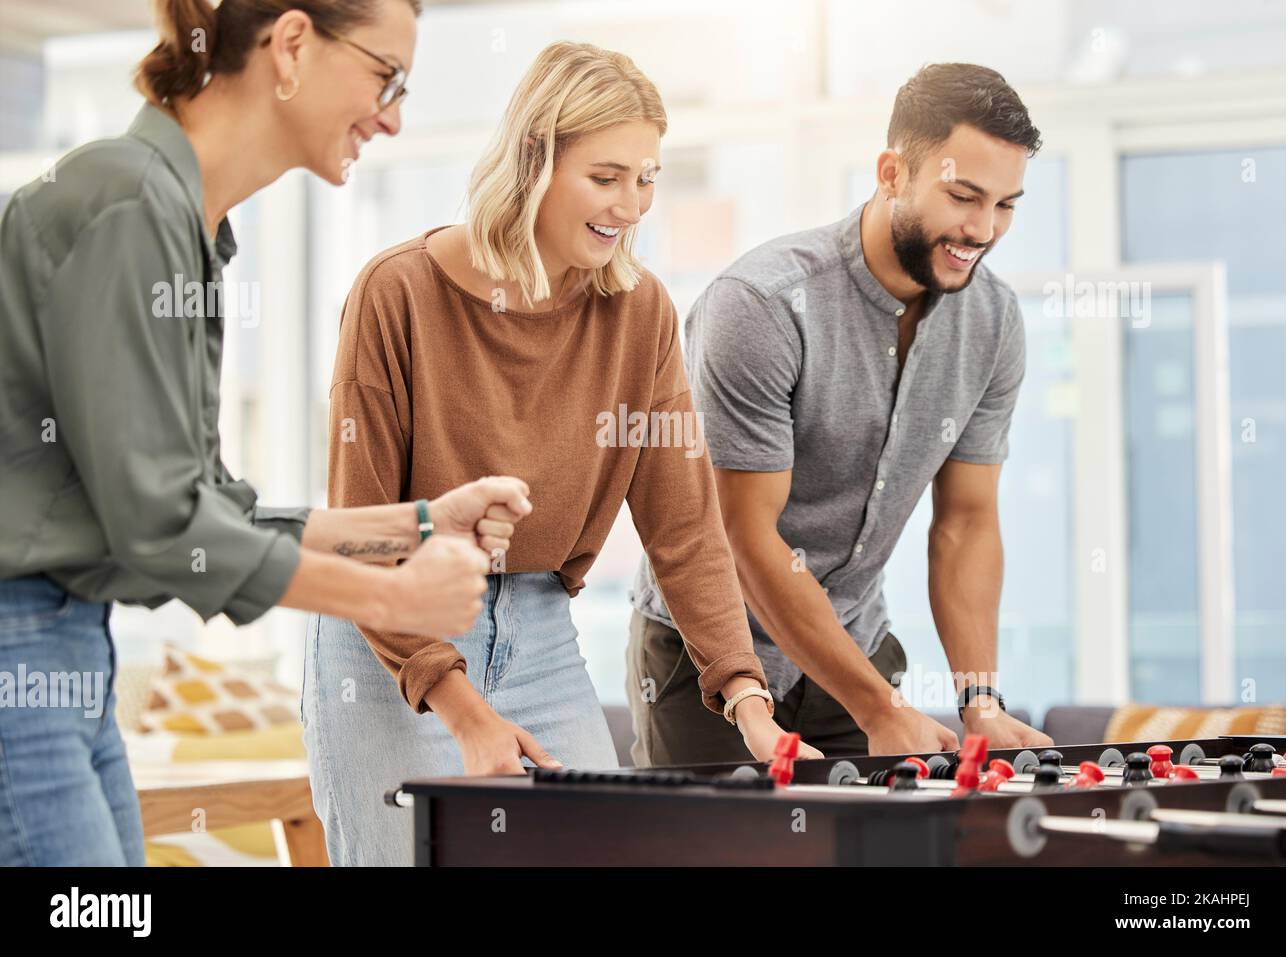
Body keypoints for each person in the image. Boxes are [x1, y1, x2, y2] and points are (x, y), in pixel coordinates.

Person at [0, 0, 527, 867]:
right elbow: (163, 526)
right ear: (291, 44)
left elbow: (209, 510)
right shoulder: (129, 205)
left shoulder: (181, 221)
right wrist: (390, 599)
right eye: (385, 76)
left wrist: (421, 523)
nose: (393, 116)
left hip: (64, 639)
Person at [303, 40, 817, 867]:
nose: (632, 204)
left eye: (647, 177)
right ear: (535, 158)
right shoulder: (395, 293)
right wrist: (464, 712)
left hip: (541, 632)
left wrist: (747, 696)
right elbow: (363, 536)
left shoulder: (639, 310)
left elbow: (684, 528)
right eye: (606, 176)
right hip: (392, 642)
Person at [629, 63, 1057, 764]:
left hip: (855, 646)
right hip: (712, 659)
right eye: (963, 196)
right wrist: (879, 705)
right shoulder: (762, 305)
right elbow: (745, 535)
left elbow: (967, 522)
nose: (983, 229)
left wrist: (979, 698)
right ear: (893, 172)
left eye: (1006, 204)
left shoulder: (995, 322)